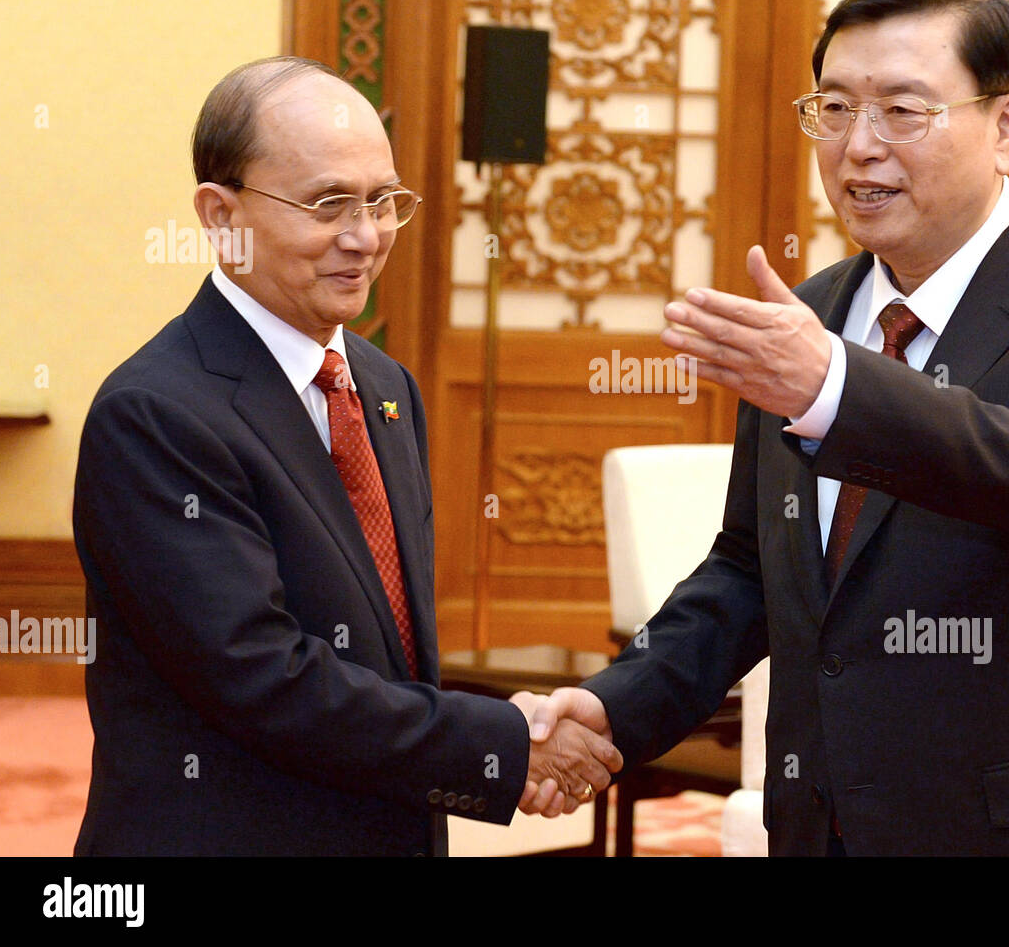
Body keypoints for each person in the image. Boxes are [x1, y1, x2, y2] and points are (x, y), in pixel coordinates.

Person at [518, 0, 1009, 856]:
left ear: (1006, 124)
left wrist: (833, 388)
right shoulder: (811, 315)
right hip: (824, 827)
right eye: (833, 109)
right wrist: (616, 701)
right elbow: (752, 573)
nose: (859, 146)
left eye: (902, 111)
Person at [72, 57, 619, 856]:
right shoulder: (154, 414)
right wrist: (505, 741)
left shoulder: (382, 384)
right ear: (219, 213)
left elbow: (386, 658)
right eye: (328, 203)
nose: (365, 236)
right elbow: (266, 679)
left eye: (383, 200)